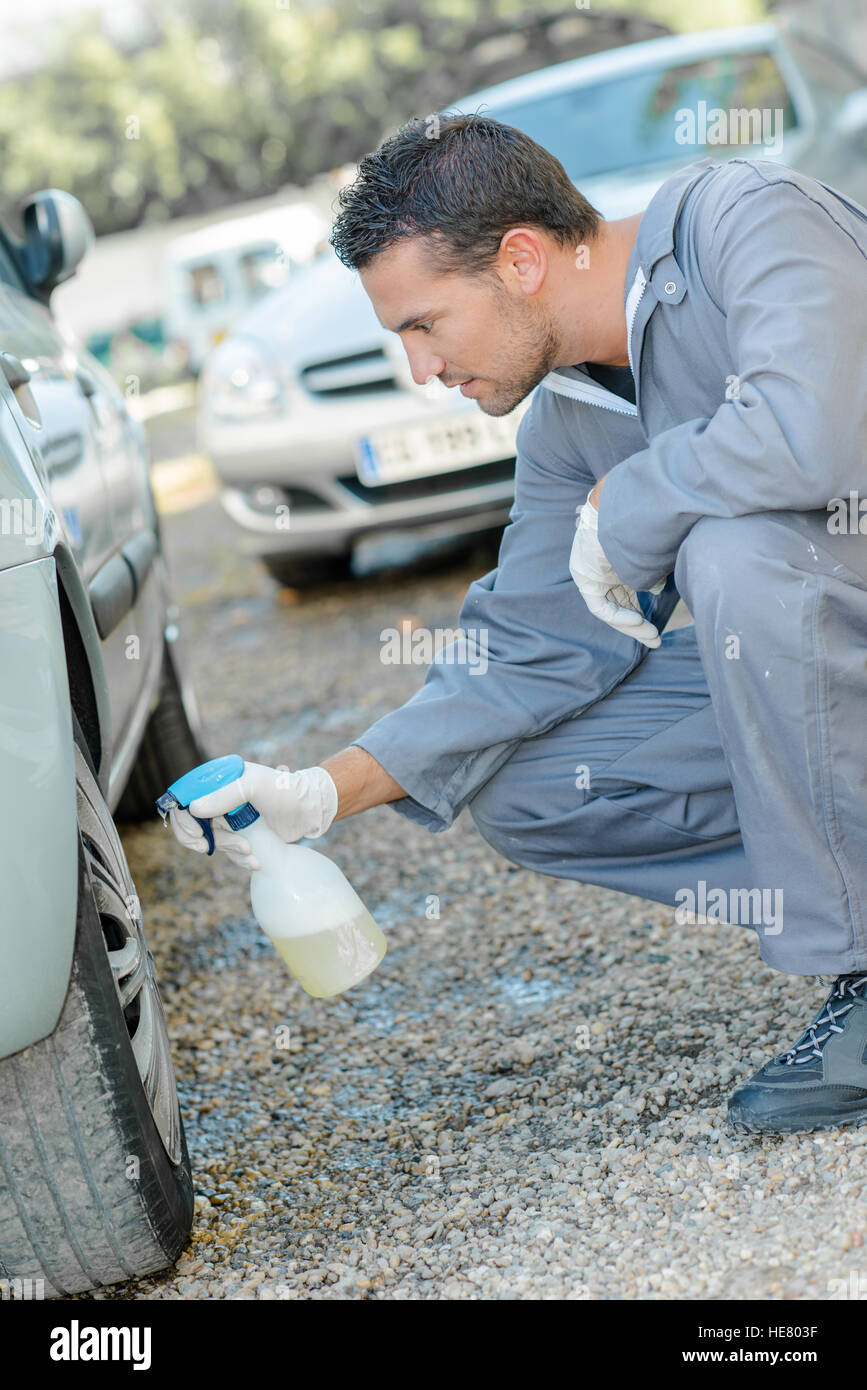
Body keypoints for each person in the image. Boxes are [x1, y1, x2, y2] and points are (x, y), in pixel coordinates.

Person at [170, 114, 867, 1136]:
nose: (420, 369)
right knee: (528, 786)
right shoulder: (568, 422)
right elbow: (528, 651)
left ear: (523, 260)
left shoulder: (748, 220)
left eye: (424, 325)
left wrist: (627, 507)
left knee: (735, 557)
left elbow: (811, 430)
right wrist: (321, 792)